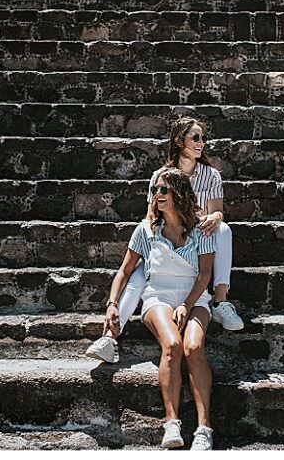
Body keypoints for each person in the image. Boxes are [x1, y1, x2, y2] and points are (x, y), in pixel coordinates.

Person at [86, 117, 243, 361]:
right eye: (196, 138)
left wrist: (212, 217)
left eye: (203, 138)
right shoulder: (161, 175)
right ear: (180, 141)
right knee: (137, 277)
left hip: (196, 241)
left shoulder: (211, 175)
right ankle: (108, 339)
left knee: (222, 229)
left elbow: (217, 210)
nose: (202, 143)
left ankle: (221, 300)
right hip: (162, 242)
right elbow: (151, 215)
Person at [88, 168, 216, 450]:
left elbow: (205, 274)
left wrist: (187, 304)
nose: (156, 195)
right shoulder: (145, 230)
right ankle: (172, 423)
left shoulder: (202, 229)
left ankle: (204, 428)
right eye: (155, 190)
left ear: (178, 194)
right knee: (172, 344)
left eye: (162, 190)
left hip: (194, 298)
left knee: (194, 347)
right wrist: (112, 305)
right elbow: (124, 271)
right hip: (158, 296)